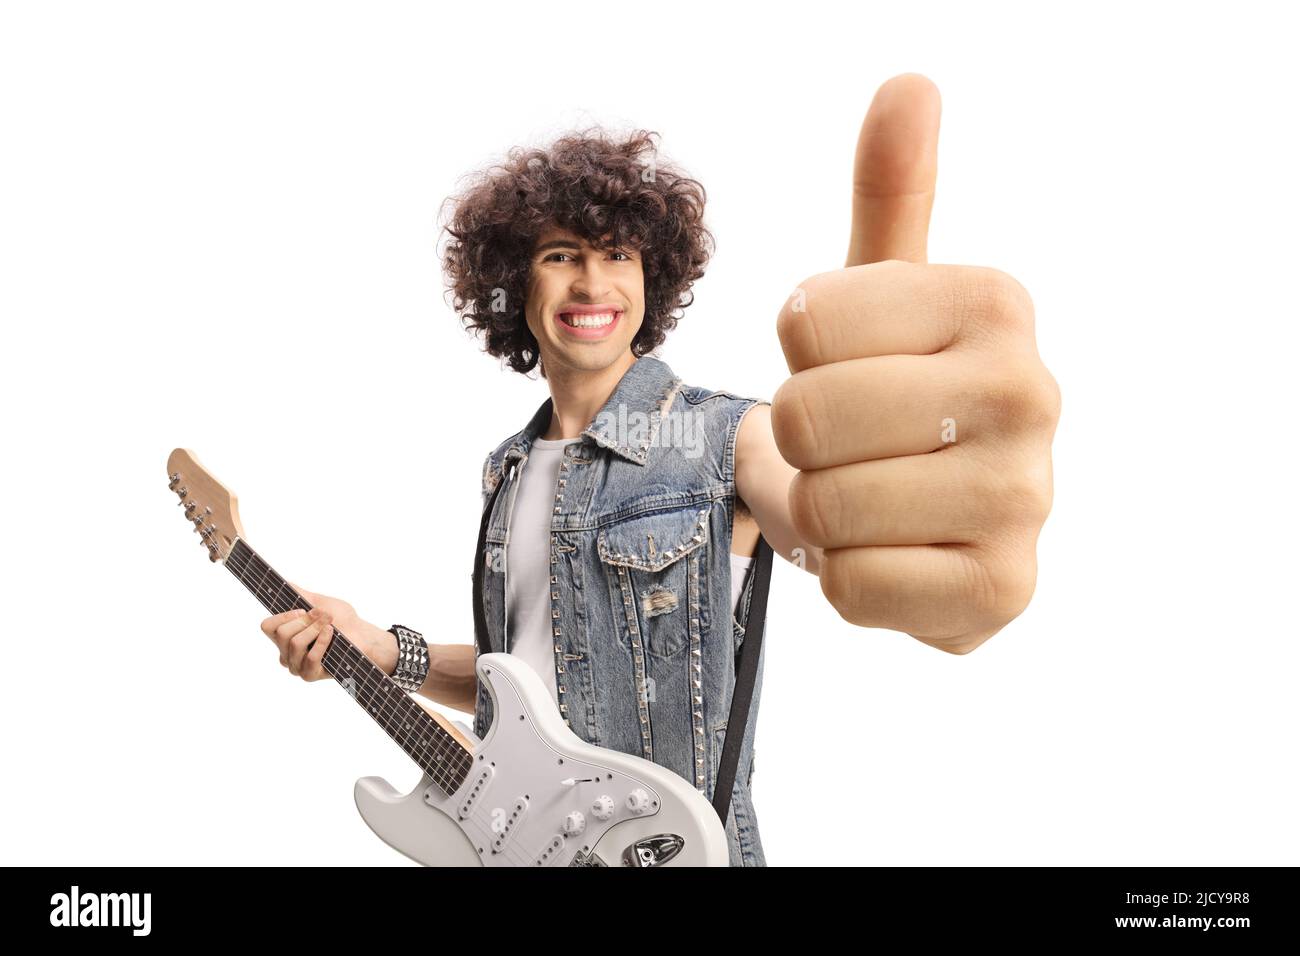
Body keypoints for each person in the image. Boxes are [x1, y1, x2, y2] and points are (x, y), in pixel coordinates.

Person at [258, 73, 1061, 867]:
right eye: (561, 255)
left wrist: (917, 509)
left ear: (653, 278)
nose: (593, 281)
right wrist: (378, 649)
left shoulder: (729, 436)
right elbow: (529, 687)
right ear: (516, 283)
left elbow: (826, 519)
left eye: (617, 254)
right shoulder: (505, 470)